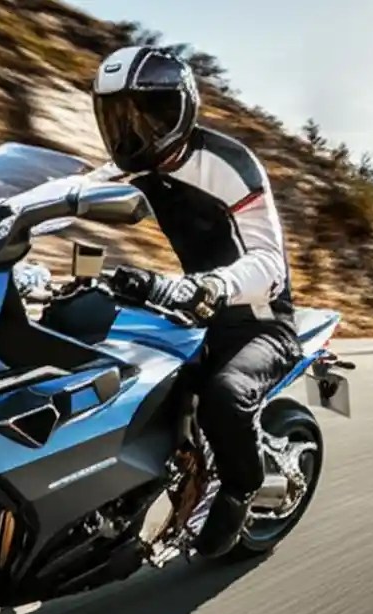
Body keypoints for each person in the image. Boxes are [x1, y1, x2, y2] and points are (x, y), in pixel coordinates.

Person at [88, 45, 301, 558]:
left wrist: (210, 286)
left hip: (258, 322)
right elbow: (64, 194)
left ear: (179, 109)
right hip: (192, 314)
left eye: (147, 114)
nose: (131, 132)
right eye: (117, 117)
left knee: (225, 399)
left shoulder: (230, 165)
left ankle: (240, 491)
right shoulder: (132, 165)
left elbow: (271, 266)